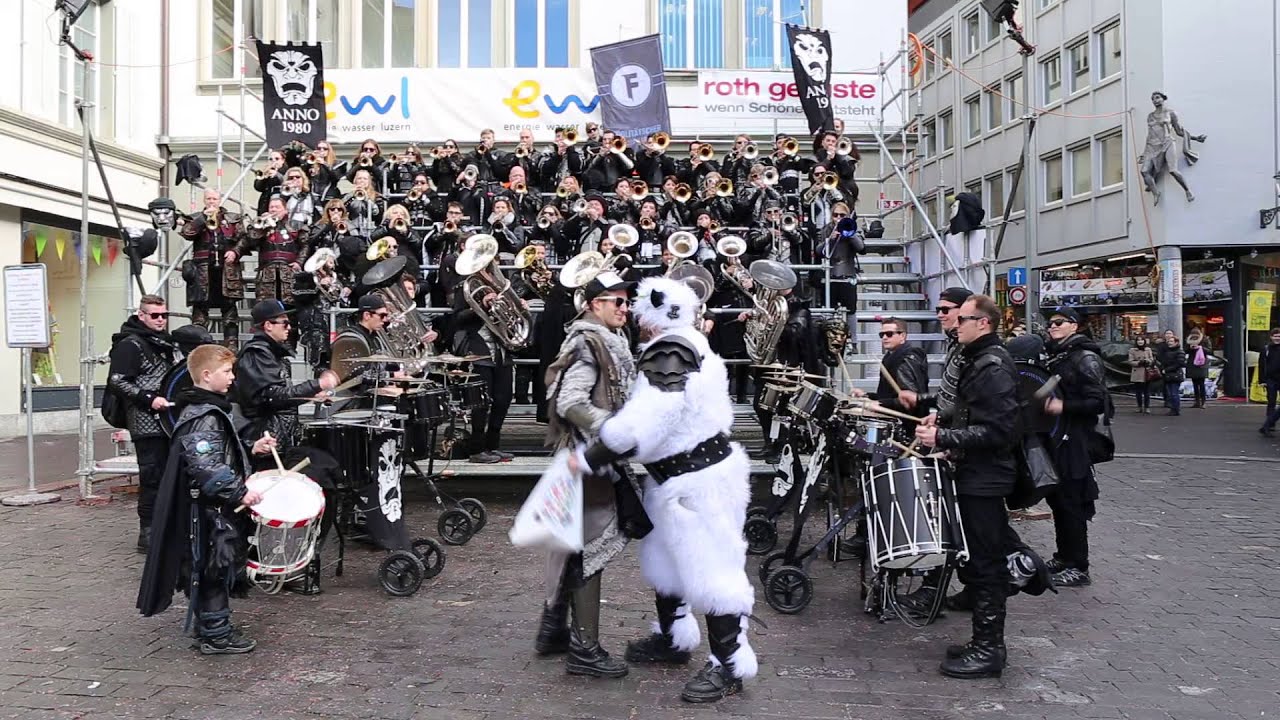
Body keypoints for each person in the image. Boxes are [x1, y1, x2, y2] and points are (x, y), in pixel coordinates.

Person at [572, 275, 758, 704]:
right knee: (669, 560)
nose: (633, 316)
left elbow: (650, 418)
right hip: (679, 476)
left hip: (698, 481)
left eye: (638, 309)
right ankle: (674, 638)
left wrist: (595, 453)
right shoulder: (688, 342)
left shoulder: (671, 349)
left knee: (714, 573)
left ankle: (729, 665)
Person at [536, 271, 646, 678]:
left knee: (573, 547)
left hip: (593, 458)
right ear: (593, 304)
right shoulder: (587, 342)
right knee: (591, 547)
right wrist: (611, 431)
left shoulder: (608, 340)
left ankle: (554, 631)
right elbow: (569, 401)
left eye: (625, 301)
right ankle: (584, 650)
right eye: (616, 301)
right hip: (589, 461)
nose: (624, 307)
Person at [136, 344, 278, 655]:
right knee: (212, 570)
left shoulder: (211, 410)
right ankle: (217, 635)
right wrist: (240, 492)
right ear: (206, 375)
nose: (232, 378)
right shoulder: (204, 416)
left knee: (209, 569)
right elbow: (205, 466)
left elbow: (220, 451)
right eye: (226, 372)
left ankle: (211, 627)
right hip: (207, 511)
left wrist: (254, 448)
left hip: (208, 507)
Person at [913, 294, 1020, 679]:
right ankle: (983, 641)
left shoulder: (992, 366)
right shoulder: (980, 361)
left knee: (987, 563)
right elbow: (974, 414)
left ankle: (990, 648)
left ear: (984, 323)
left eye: (964, 319)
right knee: (979, 558)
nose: (957, 325)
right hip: (977, 474)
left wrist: (943, 439)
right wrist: (942, 422)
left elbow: (998, 431)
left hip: (986, 478)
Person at [894, 286, 972, 611]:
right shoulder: (956, 345)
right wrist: (932, 408)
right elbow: (952, 398)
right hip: (956, 440)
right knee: (959, 523)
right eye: (938, 310)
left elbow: (971, 404)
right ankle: (969, 588)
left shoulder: (976, 352)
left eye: (946, 309)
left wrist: (947, 436)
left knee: (955, 523)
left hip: (965, 447)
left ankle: (934, 592)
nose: (940, 315)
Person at [1041, 307, 1108, 588]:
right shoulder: (1061, 354)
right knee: (1059, 500)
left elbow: (1099, 402)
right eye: (1050, 323)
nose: (1052, 326)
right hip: (1060, 440)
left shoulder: (1085, 357)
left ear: (1074, 326)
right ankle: (1064, 556)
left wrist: (1063, 406)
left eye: (1059, 322)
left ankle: (1078, 566)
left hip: (1076, 441)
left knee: (1071, 503)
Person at [107, 295, 178, 552]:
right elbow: (118, 381)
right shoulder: (130, 345)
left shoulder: (163, 343)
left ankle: (164, 529)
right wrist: (149, 399)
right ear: (141, 315)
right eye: (155, 315)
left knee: (167, 476)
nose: (160, 320)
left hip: (168, 421)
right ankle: (147, 533)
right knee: (151, 478)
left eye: (164, 315)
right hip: (146, 422)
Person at [234, 300, 339, 461]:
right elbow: (273, 396)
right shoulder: (257, 354)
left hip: (279, 436)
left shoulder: (271, 353)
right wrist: (318, 384)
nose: (289, 328)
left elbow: (279, 396)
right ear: (268, 325)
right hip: (266, 438)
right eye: (285, 323)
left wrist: (311, 395)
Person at [450, 281, 515, 464]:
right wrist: (481, 306)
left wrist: (516, 306)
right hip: (480, 353)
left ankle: (492, 445)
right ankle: (477, 449)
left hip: (502, 353)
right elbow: (458, 318)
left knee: (503, 400)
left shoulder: (501, 287)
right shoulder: (464, 289)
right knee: (481, 403)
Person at [873, 316, 928, 424]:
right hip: (894, 421)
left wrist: (879, 403)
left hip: (906, 425)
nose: (884, 337)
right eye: (882, 334)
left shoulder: (906, 361)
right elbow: (888, 395)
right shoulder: (890, 357)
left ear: (902, 336)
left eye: (889, 334)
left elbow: (909, 401)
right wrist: (867, 397)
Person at [1154, 330, 1186, 416]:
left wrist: (1167, 370)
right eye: (1169, 341)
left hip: (1175, 374)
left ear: (1176, 342)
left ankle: (1176, 409)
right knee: (1171, 393)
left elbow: (1180, 363)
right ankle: (1173, 408)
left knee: (1174, 393)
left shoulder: (1179, 351)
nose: (1169, 343)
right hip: (1168, 375)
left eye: (1172, 341)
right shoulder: (1167, 351)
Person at [1259, 329, 1280, 435]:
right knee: (1271, 402)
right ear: (1271, 337)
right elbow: (1262, 365)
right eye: (1275, 336)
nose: (1277, 338)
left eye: (1279, 336)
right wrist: (1262, 380)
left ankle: (1268, 424)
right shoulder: (1266, 349)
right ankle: (1270, 424)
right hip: (1270, 379)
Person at [1184, 329, 1212, 408]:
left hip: (1201, 364)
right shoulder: (1188, 340)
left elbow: (1209, 351)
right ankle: (1196, 401)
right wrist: (1190, 348)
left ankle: (1203, 402)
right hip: (1192, 364)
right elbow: (1185, 350)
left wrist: (1200, 348)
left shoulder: (1205, 339)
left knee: (1201, 384)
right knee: (1195, 384)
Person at [1128, 336, 1156, 414]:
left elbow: (1152, 359)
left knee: (1147, 391)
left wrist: (1148, 361)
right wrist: (1138, 362)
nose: (1140, 342)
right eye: (1138, 340)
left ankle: (1147, 407)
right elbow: (1130, 361)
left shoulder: (1148, 349)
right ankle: (1139, 407)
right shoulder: (1132, 350)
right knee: (1138, 391)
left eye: (1142, 340)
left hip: (1147, 372)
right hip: (1137, 372)